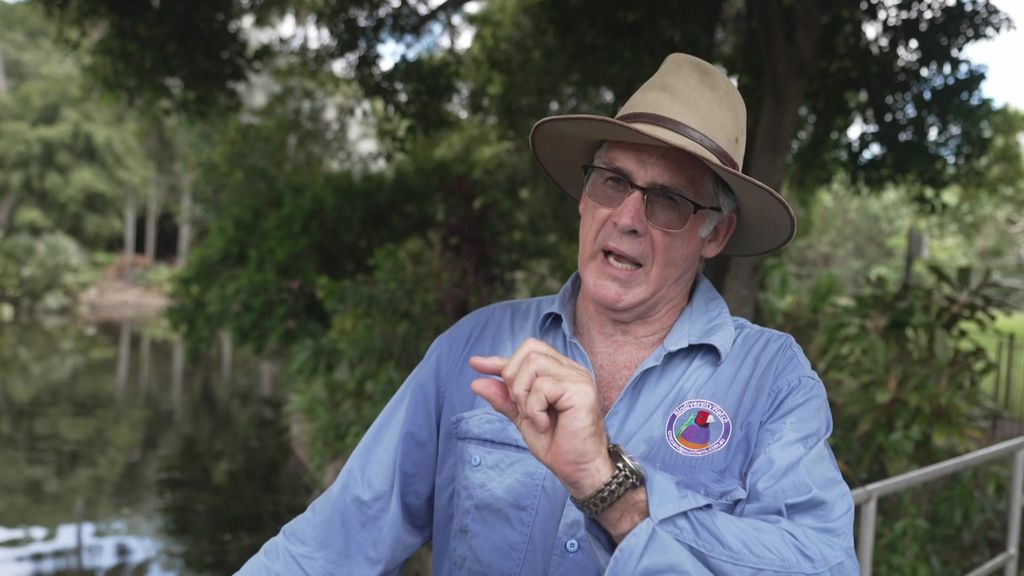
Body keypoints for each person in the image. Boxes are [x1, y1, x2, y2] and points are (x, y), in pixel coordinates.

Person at [237, 53, 859, 575]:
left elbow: (823, 565)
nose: (627, 217)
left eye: (668, 200)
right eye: (612, 181)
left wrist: (615, 495)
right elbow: (331, 544)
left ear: (714, 234)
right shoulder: (476, 344)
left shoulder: (772, 379)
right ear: (585, 196)